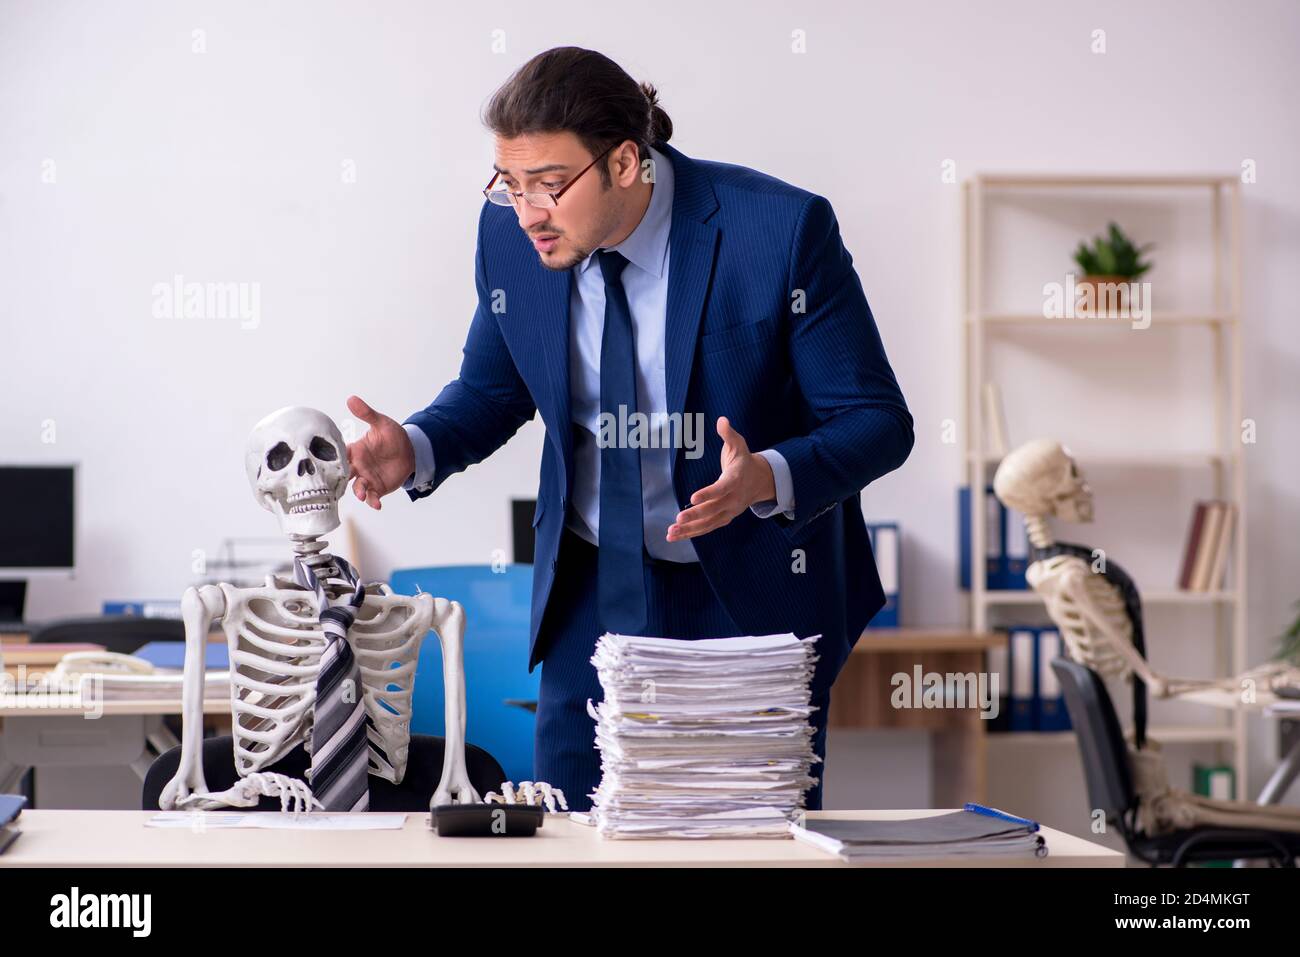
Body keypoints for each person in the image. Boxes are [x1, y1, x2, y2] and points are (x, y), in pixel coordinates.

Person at [346, 46, 913, 811]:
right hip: (596, 589)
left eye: (548, 185)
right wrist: (411, 448)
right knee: (574, 827)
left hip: (752, 588)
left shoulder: (776, 231)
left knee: (749, 843)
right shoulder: (513, 240)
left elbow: (876, 420)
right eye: (508, 184)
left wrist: (768, 475)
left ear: (624, 163)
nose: (526, 212)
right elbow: (492, 390)